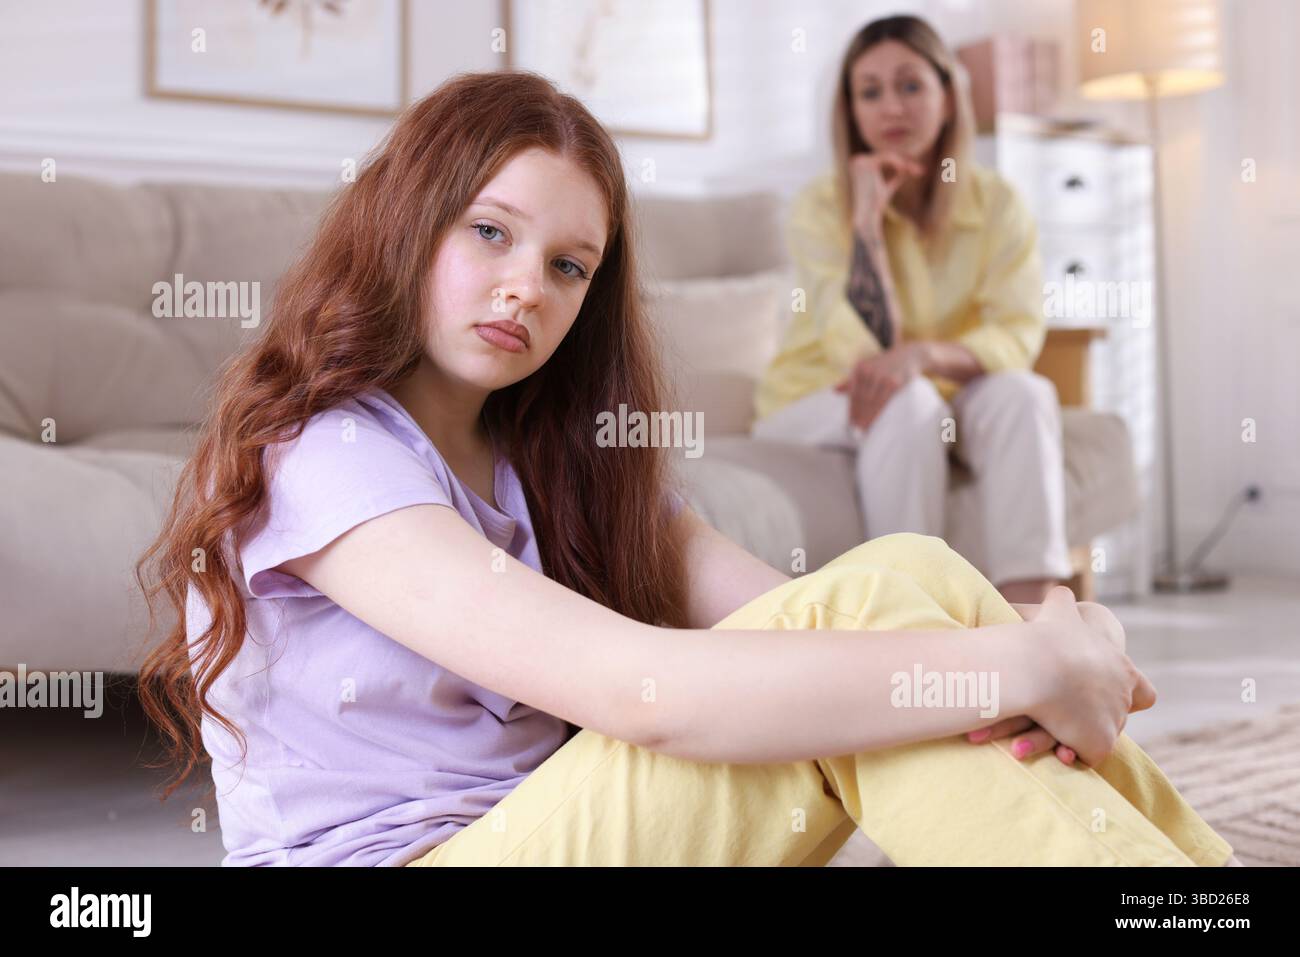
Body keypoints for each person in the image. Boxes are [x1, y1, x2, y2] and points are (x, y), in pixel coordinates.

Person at [135, 71, 1237, 867]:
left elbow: (817, 620)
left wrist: (1045, 641)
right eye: (489, 233)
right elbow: (642, 697)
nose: (528, 287)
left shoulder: (551, 463)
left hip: (554, 834)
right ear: (404, 226)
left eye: (569, 266)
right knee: (905, 621)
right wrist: (1027, 664)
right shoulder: (326, 454)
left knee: (908, 580)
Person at [753, 15, 1071, 605]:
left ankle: (1034, 619)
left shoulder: (997, 202)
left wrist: (924, 355)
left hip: (940, 388)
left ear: (948, 96)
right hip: (818, 398)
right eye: (869, 92)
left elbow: (1018, 333)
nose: (890, 108)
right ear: (851, 110)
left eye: (910, 85)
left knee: (1024, 394)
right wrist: (867, 224)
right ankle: (914, 616)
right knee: (906, 397)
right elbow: (865, 358)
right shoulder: (820, 206)